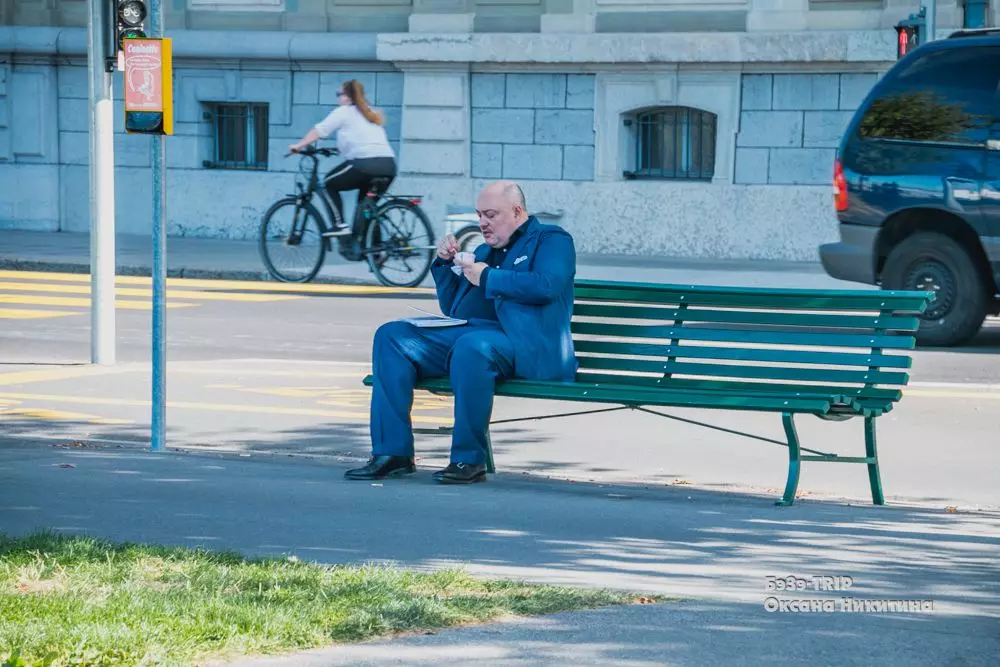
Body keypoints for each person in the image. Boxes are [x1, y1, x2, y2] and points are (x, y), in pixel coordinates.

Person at [346, 180, 578, 484]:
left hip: (528, 345)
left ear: (517, 211)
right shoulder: (485, 250)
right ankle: (393, 453)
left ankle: (469, 460)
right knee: (392, 336)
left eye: (491, 214)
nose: (482, 222)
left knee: (472, 347)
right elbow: (457, 311)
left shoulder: (552, 240)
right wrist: (444, 265)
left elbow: (547, 285)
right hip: (483, 337)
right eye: (479, 214)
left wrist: (489, 276)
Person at [288, 79, 396, 236]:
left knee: (328, 183)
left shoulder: (344, 111)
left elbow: (319, 131)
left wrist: (298, 146)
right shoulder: (370, 113)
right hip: (389, 166)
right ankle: (375, 252)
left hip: (365, 164)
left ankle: (339, 225)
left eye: (339, 94)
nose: (338, 98)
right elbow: (362, 140)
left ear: (348, 96)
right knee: (366, 208)